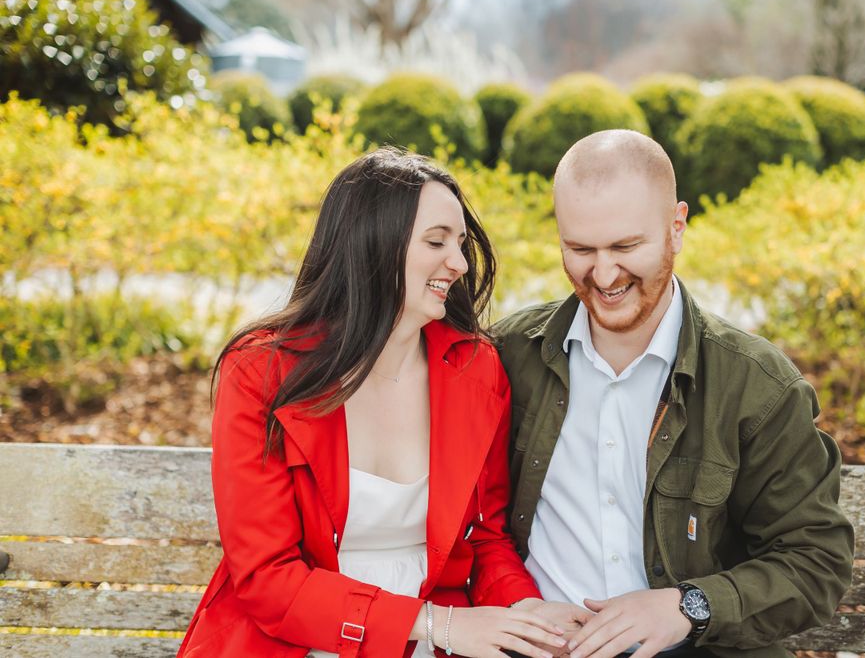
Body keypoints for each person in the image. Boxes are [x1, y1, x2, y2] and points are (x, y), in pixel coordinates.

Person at [178, 148, 585, 658]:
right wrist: (438, 624)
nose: (458, 263)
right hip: (293, 639)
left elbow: (484, 539)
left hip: (438, 641)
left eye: (460, 243)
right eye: (436, 242)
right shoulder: (261, 371)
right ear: (371, 246)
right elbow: (268, 577)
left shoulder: (476, 367)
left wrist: (523, 609)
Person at [493, 130, 855, 658]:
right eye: (580, 249)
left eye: (625, 246)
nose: (604, 273)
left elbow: (815, 562)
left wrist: (687, 607)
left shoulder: (756, 386)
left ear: (676, 228)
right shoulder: (508, 357)